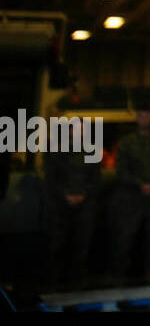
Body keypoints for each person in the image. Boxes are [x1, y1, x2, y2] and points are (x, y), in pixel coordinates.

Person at [110, 107, 150, 282]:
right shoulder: (127, 142)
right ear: (137, 118)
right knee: (125, 236)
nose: (144, 119)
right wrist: (139, 184)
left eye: (147, 116)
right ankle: (120, 275)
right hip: (131, 196)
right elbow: (121, 169)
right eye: (141, 116)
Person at [43, 116, 101, 288]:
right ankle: (54, 281)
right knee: (57, 243)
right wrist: (66, 195)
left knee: (82, 243)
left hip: (85, 205)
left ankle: (78, 280)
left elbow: (95, 179)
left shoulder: (91, 151)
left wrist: (83, 195)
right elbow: (51, 179)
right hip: (60, 206)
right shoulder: (56, 151)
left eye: (82, 129)